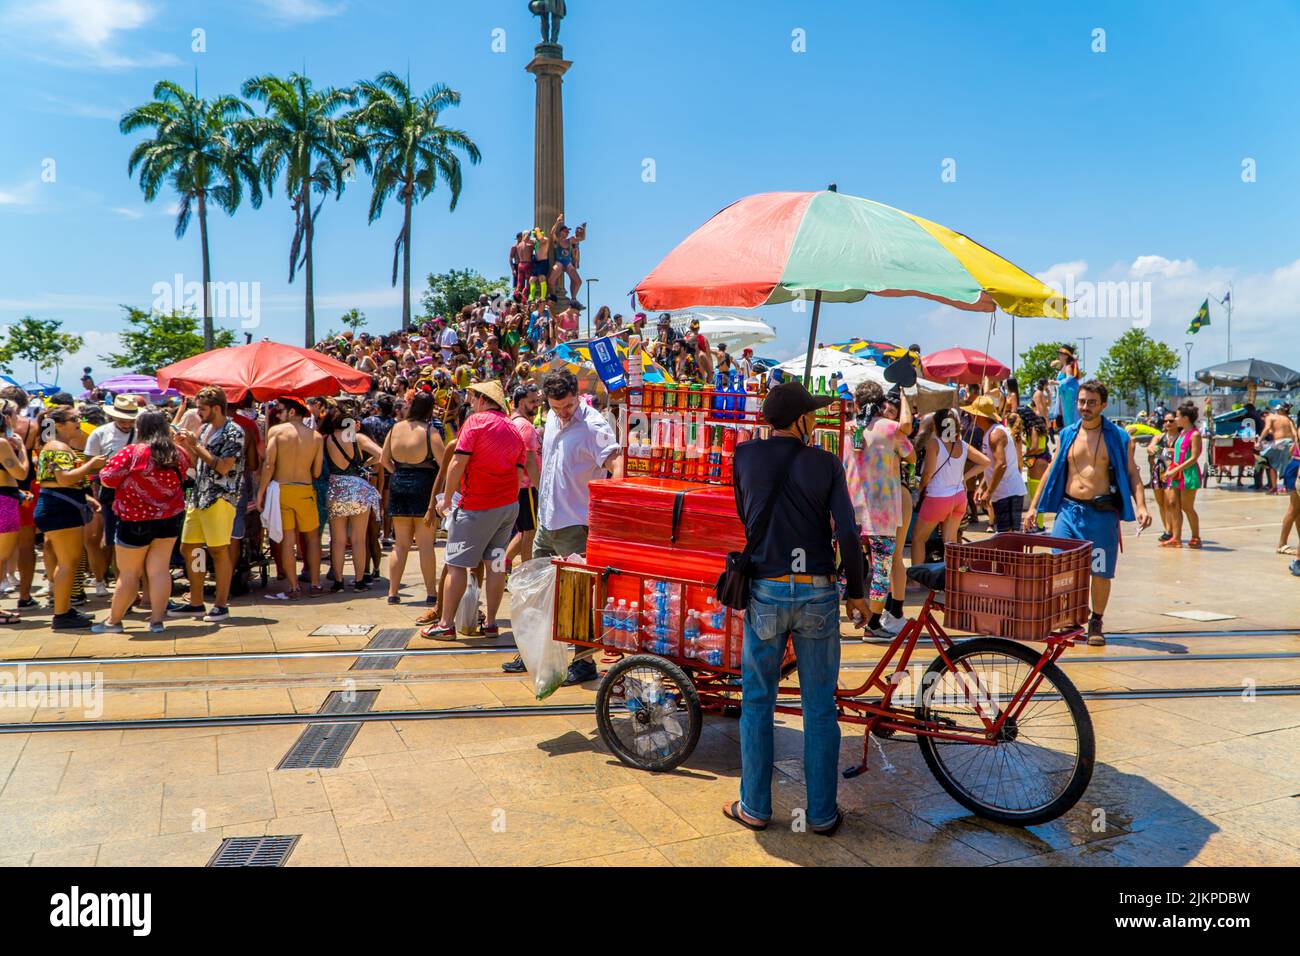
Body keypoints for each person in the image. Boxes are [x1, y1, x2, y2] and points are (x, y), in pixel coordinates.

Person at [722, 381, 868, 836]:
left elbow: (748, 517)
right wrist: (857, 590)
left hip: (766, 588)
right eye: (812, 415)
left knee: (758, 701)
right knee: (819, 707)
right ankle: (822, 814)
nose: (816, 422)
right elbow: (846, 531)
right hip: (818, 592)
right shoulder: (825, 463)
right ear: (802, 420)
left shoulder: (744, 456)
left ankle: (754, 807)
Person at [501, 369, 620, 682]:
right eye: (556, 408)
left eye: (567, 406)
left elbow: (614, 463)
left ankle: (583, 661)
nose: (563, 413)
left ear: (576, 394)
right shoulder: (551, 418)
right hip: (548, 520)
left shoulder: (593, 424)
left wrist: (612, 508)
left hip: (576, 524)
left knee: (578, 595)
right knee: (536, 592)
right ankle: (532, 652)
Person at [1024, 380, 1151, 645]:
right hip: (1069, 510)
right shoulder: (1068, 433)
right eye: (1081, 401)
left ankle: (1096, 620)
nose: (1085, 407)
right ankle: (1068, 616)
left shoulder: (1117, 436)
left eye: (1092, 402)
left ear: (1103, 405)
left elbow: (1131, 472)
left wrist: (1141, 505)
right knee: (1061, 568)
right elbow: (1050, 470)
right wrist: (1034, 506)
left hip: (1101, 514)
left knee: (1100, 571)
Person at [420, 381, 524, 640]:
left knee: (455, 565)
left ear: (482, 399)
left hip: (476, 505)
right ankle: (490, 623)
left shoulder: (476, 423)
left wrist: (444, 501)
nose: (471, 402)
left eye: (473, 397)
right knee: (496, 564)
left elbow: (458, 462)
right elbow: (519, 471)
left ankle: (445, 625)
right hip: (507, 507)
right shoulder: (514, 427)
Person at [91, 410, 190, 634]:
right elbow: (186, 475)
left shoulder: (132, 453)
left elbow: (106, 479)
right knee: (160, 570)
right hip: (169, 519)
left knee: (128, 574)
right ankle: (156, 621)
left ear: (141, 428)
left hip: (134, 520)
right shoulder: (179, 452)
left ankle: (113, 622)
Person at [843, 382, 914, 637]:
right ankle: (872, 625)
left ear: (858, 403)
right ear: (881, 403)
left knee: (844, 569)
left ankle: (836, 618)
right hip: (882, 513)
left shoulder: (847, 429)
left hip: (850, 511)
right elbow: (912, 456)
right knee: (880, 572)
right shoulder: (890, 429)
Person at [173, 386, 245, 623]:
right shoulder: (205, 429)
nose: (198, 413)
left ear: (216, 408)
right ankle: (197, 601)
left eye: (202, 409)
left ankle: (221, 604)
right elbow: (199, 462)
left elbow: (224, 466)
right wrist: (186, 447)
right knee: (190, 546)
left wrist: (196, 446)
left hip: (220, 496)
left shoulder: (233, 431)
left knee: (218, 550)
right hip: (199, 495)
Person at [34, 406, 106, 629]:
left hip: (60, 505)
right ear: (59, 425)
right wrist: (90, 466)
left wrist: (85, 497)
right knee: (68, 562)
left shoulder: (56, 446)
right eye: (74, 419)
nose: (79, 422)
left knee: (68, 562)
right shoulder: (58, 447)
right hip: (60, 509)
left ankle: (63, 608)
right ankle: (61, 614)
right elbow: (64, 479)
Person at [256, 396, 324, 600]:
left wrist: (261, 491)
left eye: (280, 410)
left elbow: (269, 465)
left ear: (292, 412)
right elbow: (318, 472)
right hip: (304, 489)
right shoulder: (316, 437)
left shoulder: (276, 432)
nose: (277, 413)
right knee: (312, 538)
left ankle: (293, 588)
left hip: (282, 490)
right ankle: (315, 583)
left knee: (288, 540)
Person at [382, 391, 445, 606]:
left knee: (400, 545)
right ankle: (431, 593)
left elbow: (384, 459)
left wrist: (398, 473)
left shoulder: (395, 428)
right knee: (426, 545)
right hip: (423, 487)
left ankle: (392, 592)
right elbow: (444, 465)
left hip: (398, 484)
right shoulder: (430, 432)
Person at [911, 408, 990, 566]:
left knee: (918, 538)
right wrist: (964, 477)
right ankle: (951, 580)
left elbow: (928, 473)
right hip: (958, 497)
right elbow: (985, 462)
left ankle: (915, 580)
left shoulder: (934, 444)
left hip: (937, 498)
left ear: (937, 425)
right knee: (950, 542)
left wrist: (918, 491)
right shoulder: (962, 445)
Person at [321, 402, 383, 591]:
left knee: (338, 540)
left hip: (335, 489)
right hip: (358, 488)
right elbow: (383, 454)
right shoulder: (359, 438)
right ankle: (359, 581)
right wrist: (366, 464)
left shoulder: (326, 439)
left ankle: (338, 582)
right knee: (358, 539)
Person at [84, 394, 140, 590]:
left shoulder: (141, 432)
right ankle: (111, 582)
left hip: (138, 494)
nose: (127, 425)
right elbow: (89, 467)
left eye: (130, 421)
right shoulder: (100, 434)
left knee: (130, 541)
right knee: (112, 541)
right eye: (123, 420)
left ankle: (126, 584)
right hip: (110, 494)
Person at [963, 395, 1028, 532]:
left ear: (979, 416)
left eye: (972, 413)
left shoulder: (995, 434)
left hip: (1009, 493)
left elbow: (1001, 465)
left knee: (1009, 539)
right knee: (1006, 537)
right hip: (1003, 493)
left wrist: (989, 492)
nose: (969, 416)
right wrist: (982, 486)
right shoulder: (991, 432)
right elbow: (992, 465)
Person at [0, 386, 38, 609]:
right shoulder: (32, 426)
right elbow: (25, 470)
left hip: (14, 493)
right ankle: (25, 594)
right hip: (19, 492)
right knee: (23, 546)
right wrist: (22, 449)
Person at [505, 383, 543, 568]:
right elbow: (529, 461)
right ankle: (528, 573)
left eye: (537, 401)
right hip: (527, 486)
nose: (536, 405)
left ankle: (505, 563)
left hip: (515, 486)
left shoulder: (511, 422)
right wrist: (540, 488)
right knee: (530, 532)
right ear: (520, 403)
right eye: (532, 402)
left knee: (523, 531)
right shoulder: (526, 426)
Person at [0, 400, 30, 624]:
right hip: (4, 501)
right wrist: (22, 451)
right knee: (1, 558)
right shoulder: (3, 443)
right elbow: (20, 473)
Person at [1160, 402, 1204, 549]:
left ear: (1185, 418)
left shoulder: (1195, 434)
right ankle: (1176, 538)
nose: (1175, 419)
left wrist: (1175, 469)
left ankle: (1196, 537)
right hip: (1176, 472)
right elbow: (1180, 452)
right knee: (1173, 504)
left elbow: (1194, 457)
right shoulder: (1182, 433)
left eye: (1177, 416)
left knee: (1187, 507)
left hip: (1188, 473)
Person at [1147, 410, 1180, 541]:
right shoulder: (1159, 437)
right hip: (1159, 471)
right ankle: (1167, 529)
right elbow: (1150, 447)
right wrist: (1152, 448)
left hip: (1174, 471)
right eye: (1165, 421)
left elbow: (1179, 452)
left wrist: (1162, 451)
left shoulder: (1181, 437)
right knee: (1161, 503)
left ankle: (1172, 531)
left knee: (1171, 502)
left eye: (1171, 421)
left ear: (1177, 421)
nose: (1168, 423)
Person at [1053, 346, 1081, 430]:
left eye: (1060, 354)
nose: (1059, 356)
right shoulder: (1065, 366)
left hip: (1068, 399)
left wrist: (1055, 382)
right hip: (1064, 398)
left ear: (1066, 356)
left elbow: (1070, 380)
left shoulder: (1068, 367)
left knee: (1069, 422)